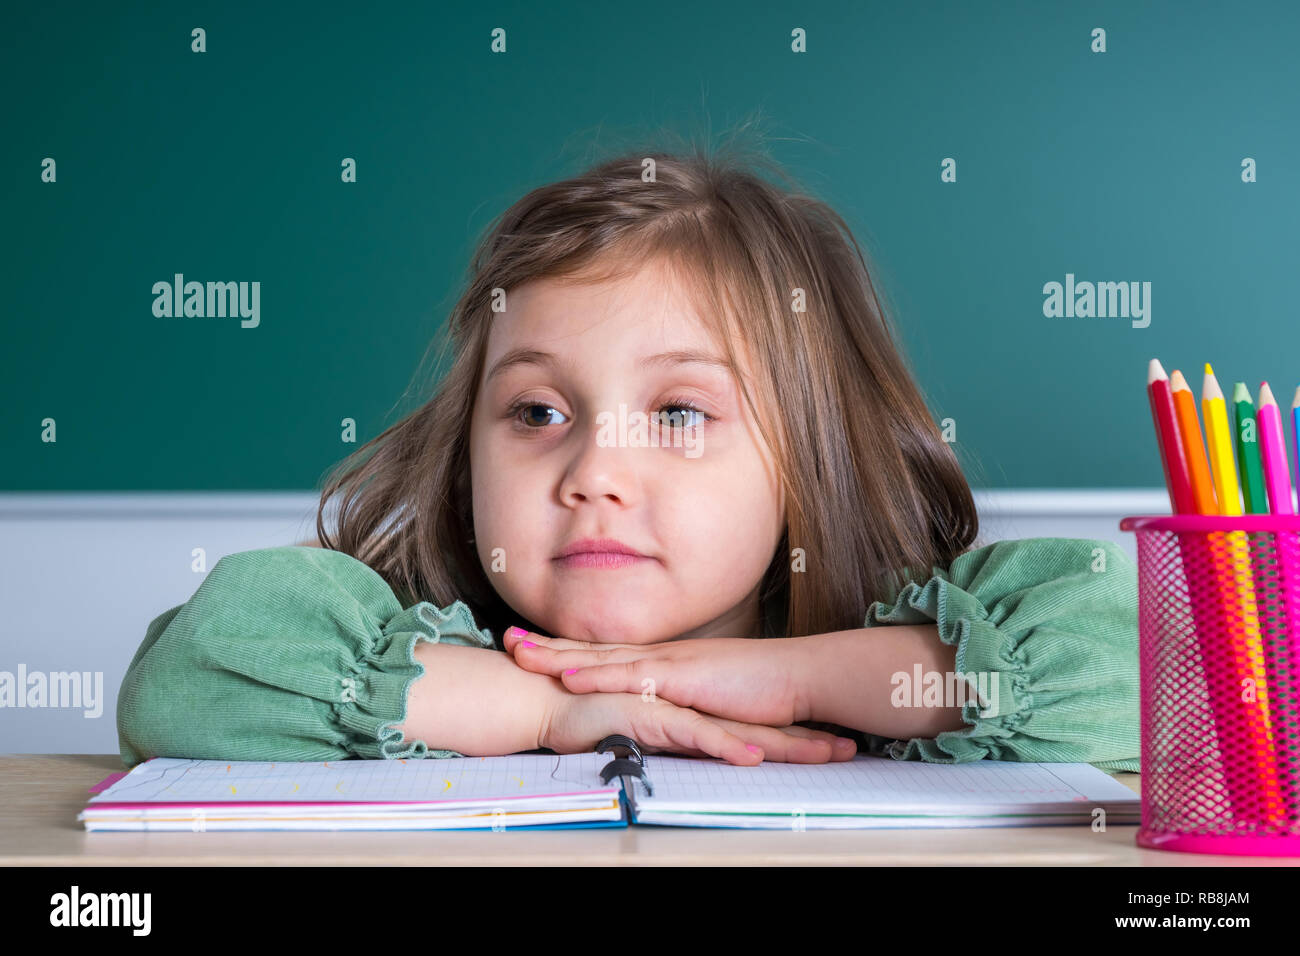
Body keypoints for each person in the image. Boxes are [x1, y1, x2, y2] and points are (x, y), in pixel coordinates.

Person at [116, 141, 1139, 774]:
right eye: (537, 410)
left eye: (681, 413)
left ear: (810, 458)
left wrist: (782, 681)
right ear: (466, 456)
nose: (593, 471)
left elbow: (1154, 670)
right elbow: (184, 681)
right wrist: (553, 705)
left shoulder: (917, 634)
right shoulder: (402, 641)